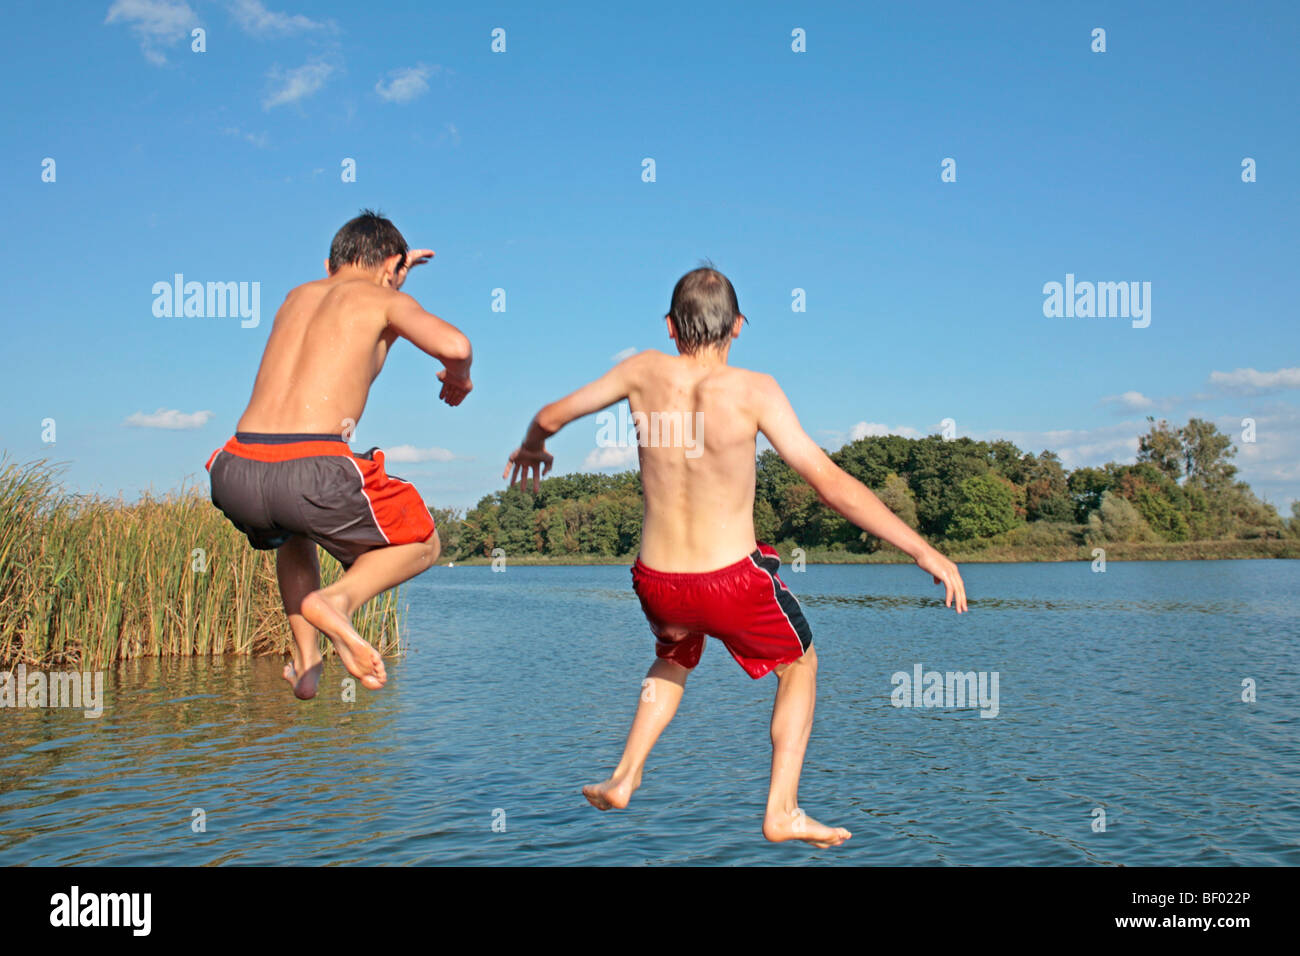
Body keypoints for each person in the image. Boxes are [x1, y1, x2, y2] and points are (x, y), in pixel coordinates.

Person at [503, 265, 967, 847]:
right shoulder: (755, 390)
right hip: (730, 583)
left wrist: (533, 446)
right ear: (739, 327)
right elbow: (827, 481)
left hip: (657, 582)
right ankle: (783, 809)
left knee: (672, 657)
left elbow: (550, 416)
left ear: (671, 327)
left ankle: (624, 775)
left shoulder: (641, 370)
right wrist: (922, 549)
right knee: (800, 664)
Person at [206, 210, 473, 699]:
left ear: (329, 263)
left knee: (292, 532)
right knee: (425, 543)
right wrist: (458, 377)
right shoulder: (384, 299)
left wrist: (392, 267)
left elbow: (348, 284)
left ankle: (307, 659)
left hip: (236, 469)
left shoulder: (297, 296)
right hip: (312, 468)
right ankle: (336, 602)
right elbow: (455, 344)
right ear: (392, 268)